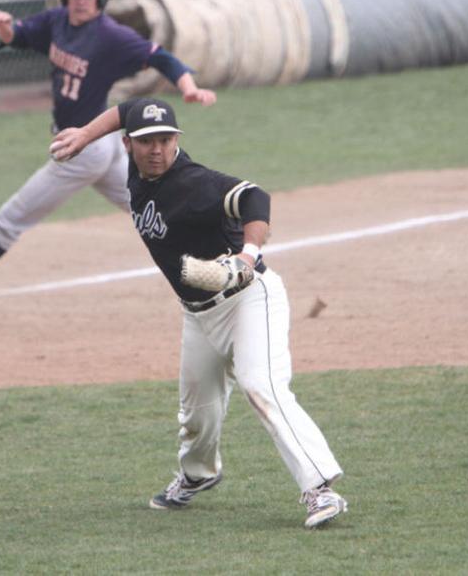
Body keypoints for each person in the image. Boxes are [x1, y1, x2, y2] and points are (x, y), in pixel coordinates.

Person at [49, 97, 347, 529]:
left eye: (166, 140)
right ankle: (197, 476)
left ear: (177, 140)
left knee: (261, 385)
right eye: (147, 140)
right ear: (128, 145)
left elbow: (254, 197)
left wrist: (246, 257)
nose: (157, 149)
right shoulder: (137, 167)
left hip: (249, 300)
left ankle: (320, 489)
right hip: (198, 314)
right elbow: (126, 108)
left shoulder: (194, 183)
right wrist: (83, 134)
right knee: (197, 412)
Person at [0, 0, 216, 303]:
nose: (80, 0)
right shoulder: (57, 22)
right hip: (101, 144)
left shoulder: (110, 36)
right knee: (149, 207)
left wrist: (188, 87)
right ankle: (213, 254)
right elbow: (20, 36)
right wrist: (5, 30)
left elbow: (162, 58)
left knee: (11, 218)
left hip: (83, 150)